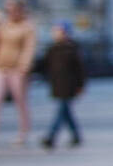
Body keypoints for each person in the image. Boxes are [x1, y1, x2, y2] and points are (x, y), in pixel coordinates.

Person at [0, 0, 37, 147]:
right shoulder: (3, 25)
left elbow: (29, 48)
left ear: (20, 10)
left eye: (12, 8)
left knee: (20, 101)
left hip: (17, 69)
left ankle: (23, 133)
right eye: (8, 9)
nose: (10, 11)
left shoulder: (27, 27)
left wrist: (24, 66)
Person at [35, 21, 87, 149]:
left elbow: (80, 69)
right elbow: (43, 65)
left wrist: (80, 85)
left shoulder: (72, 49)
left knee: (61, 111)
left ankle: (51, 137)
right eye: (55, 31)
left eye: (58, 31)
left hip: (69, 86)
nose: (56, 34)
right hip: (57, 84)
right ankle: (76, 136)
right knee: (66, 113)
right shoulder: (53, 48)